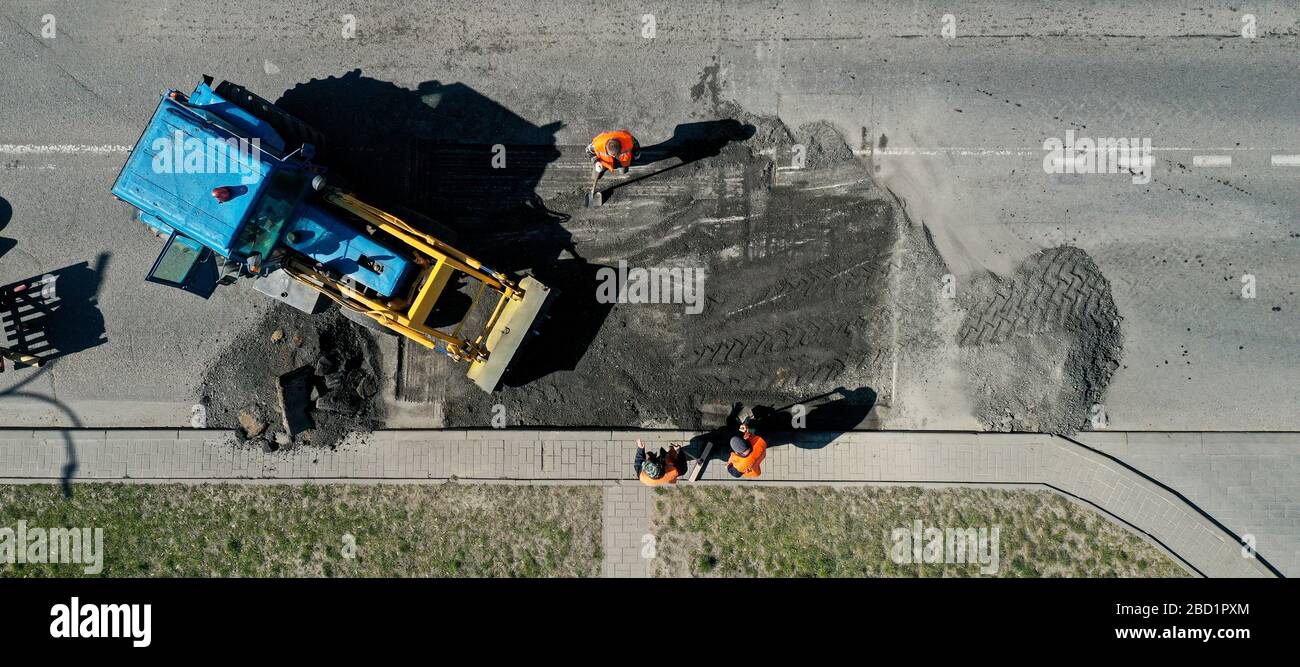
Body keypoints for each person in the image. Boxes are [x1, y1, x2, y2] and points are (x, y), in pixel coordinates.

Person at [586, 129, 640, 194]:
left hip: (623, 159)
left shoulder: (628, 138)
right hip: (604, 160)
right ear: (606, 148)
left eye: (616, 155)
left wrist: (636, 155)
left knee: (623, 171)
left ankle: (623, 165)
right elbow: (588, 151)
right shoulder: (597, 144)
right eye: (612, 155)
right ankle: (603, 167)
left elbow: (636, 144)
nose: (614, 157)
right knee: (595, 175)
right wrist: (596, 162)